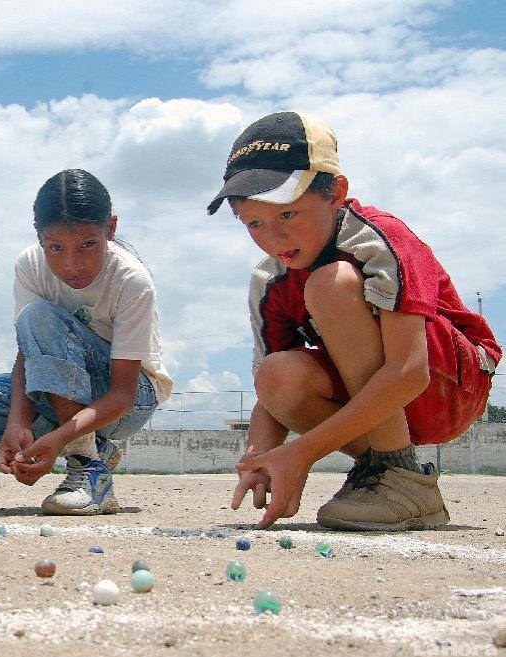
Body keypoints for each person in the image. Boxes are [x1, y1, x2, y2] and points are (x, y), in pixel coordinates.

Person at [208, 111, 500, 531]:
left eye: (288, 214)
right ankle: (387, 473)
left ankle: (399, 474)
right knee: (276, 375)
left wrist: (304, 451)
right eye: (255, 223)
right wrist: (260, 457)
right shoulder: (269, 280)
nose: (274, 238)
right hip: (380, 400)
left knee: (331, 283)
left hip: (449, 383)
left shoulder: (377, 239)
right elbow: (270, 398)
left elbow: (408, 372)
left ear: (336, 193)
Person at [0, 169, 173, 515]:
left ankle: (89, 470)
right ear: (40, 238)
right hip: (63, 392)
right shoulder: (31, 265)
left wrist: (59, 442)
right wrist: (17, 423)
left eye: (88, 244)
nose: (73, 264)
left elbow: (122, 393)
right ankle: (97, 449)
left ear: (111, 229)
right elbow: (27, 357)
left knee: (39, 316)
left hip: (128, 401)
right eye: (55, 248)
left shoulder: (132, 280)